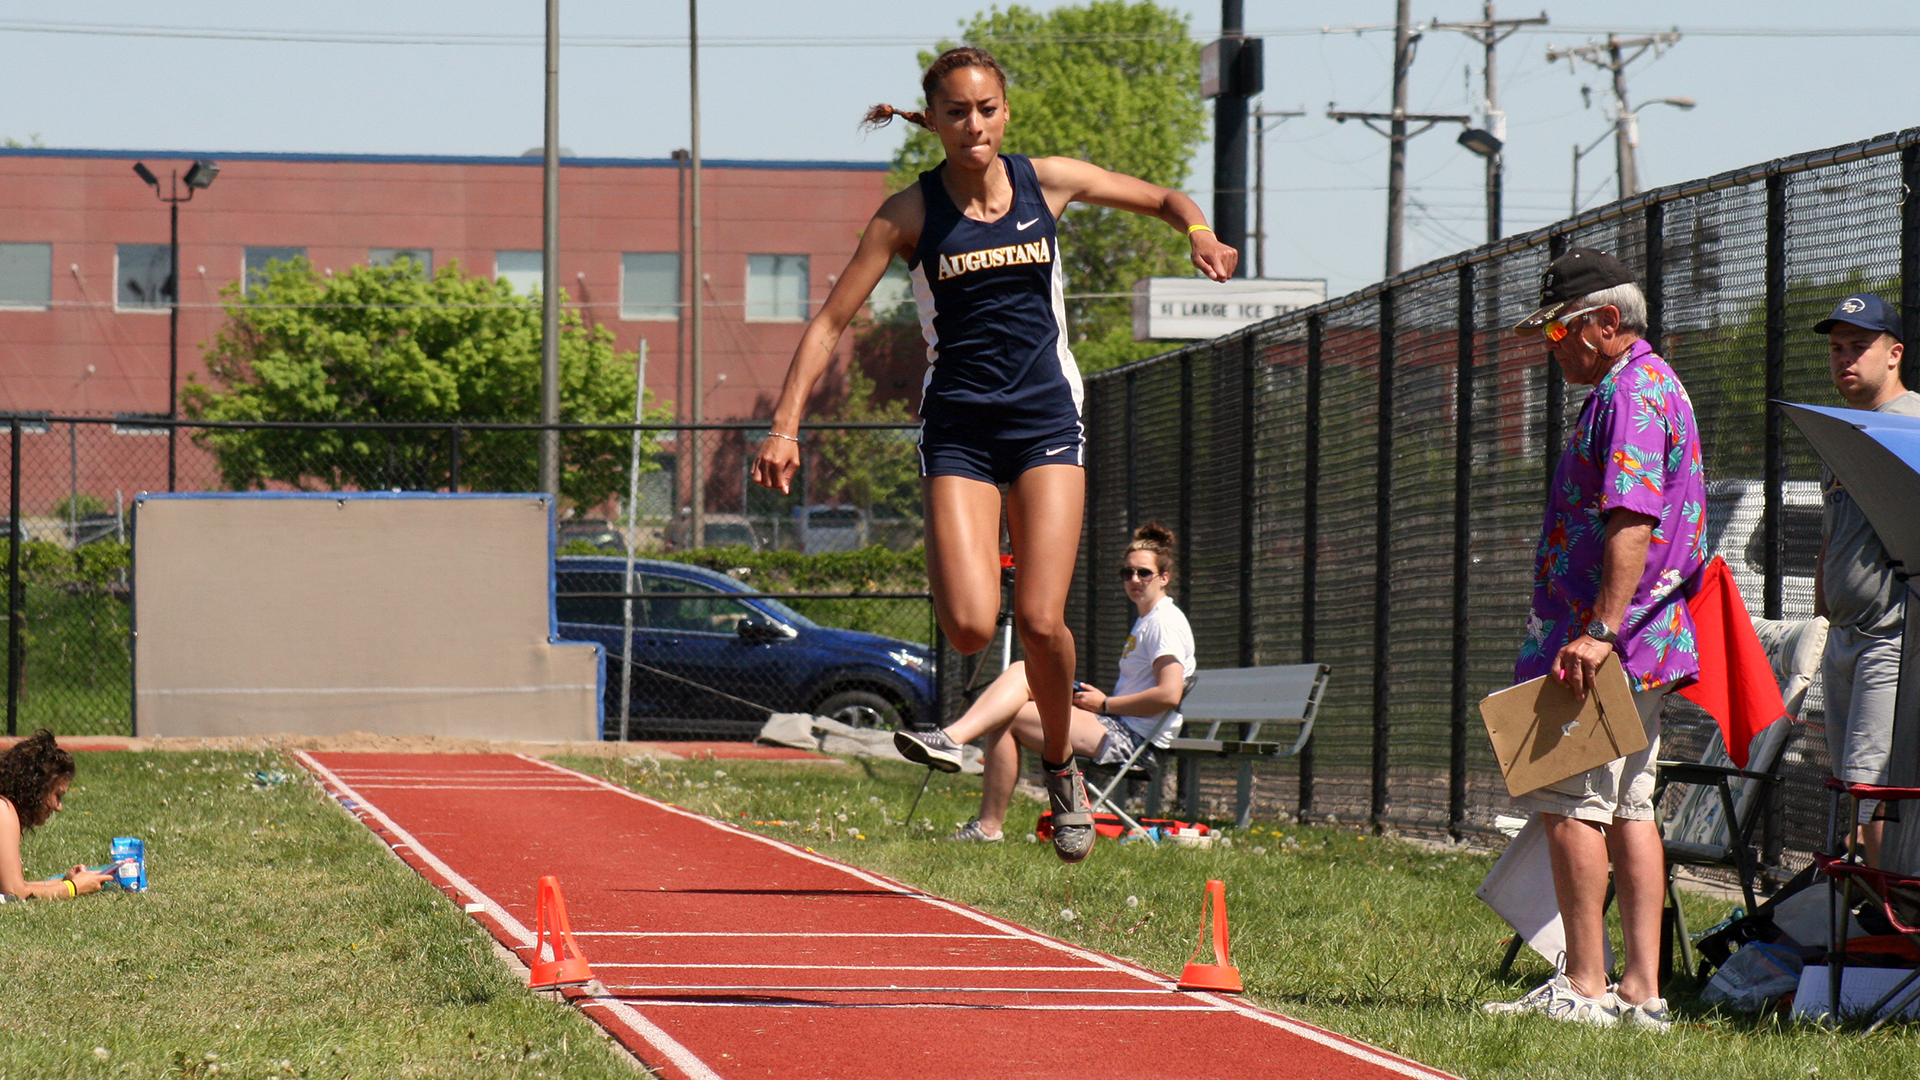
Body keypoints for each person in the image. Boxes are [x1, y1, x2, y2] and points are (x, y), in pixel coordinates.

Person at [750, 48, 1236, 863]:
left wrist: (1200, 233)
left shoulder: (1046, 183)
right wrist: (785, 425)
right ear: (935, 121)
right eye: (956, 111)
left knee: (1041, 620)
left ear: (1005, 112)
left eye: (986, 109)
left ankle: (1063, 772)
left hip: (1046, 419)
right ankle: (962, 561)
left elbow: (1162, 197)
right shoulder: (909, 214)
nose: (973, 124)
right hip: (960, 431)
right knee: (972, 626)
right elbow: (830, 322)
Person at [1482, 248, 1706, 1031]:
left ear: (1607, 321)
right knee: (1632, 808)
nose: (1552, 346)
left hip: (1609, 641)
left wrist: (1599, 631)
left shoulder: (1630, 392)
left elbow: (1632, 521)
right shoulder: (1651, 383)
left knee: (1573, 803)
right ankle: (1642, 993)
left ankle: (1583, 985)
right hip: (1647, 639)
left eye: (1559, 329)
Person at [894, 523, 1194, 841]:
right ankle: (956, 750)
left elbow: (1169, 694)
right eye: (1127, 573)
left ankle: (968, 780)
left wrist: (1106, 704)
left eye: (1144, 573)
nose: (1134, 580)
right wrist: (1102, 703)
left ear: (1164, 578)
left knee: (1009, 712)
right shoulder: (1149, 619)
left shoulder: (1164, 622)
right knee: (1025, 671)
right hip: (1117, 723)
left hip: (1133, 741)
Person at [1813, 293, 1916, 867]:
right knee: (1850, 787)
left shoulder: (1912, 424)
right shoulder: (1841, 429)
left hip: (1892, 634)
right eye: (1836, 348)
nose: (1844, 358)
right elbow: (1836, 529)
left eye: (1858, 346)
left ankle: (1884, 912)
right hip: (1845, 633)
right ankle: (1864, 906)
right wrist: (1823, 599)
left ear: (1894, 354)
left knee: (1872, 791)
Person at [0, 729, 113, 901]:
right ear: (37, 787)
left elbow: (10, 886)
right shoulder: (3, 810)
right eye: (57, 795)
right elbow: (14, 893)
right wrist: (74, 888)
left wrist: (64, 881)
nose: (59, 807)